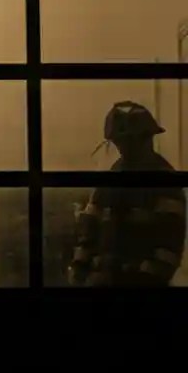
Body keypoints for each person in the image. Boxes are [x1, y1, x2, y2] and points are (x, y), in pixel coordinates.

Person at [69, 101, 186, 287]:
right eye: (120, 142)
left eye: (133, 140)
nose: (126, 148)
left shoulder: (165, 182)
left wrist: (144, 281)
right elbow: (90, 227)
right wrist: (79, 269)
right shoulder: (112, 177)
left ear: (147, 138)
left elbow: (168, 246)